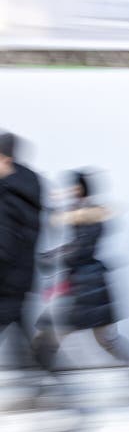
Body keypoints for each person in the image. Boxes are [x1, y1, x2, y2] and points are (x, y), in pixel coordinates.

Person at [36, 170, 129, 397]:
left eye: (71, 188)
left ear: (78, 189)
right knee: (105, 339)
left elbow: (81, 250)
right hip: (89, 285)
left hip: (85, 287)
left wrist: (52, 256)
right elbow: (75, 246)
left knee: (56, 334)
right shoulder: (80, 214)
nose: (66, 193)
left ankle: (47, 381)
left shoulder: (89, 217)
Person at [0, 131, 63, 398]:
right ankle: (52, 383)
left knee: (20, 337)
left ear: (5, 159)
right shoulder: (28, 189)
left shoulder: (9, 195)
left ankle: (53, 385)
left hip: (7, 279)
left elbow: (5, 242)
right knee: (21, 338)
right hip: (21, 279)